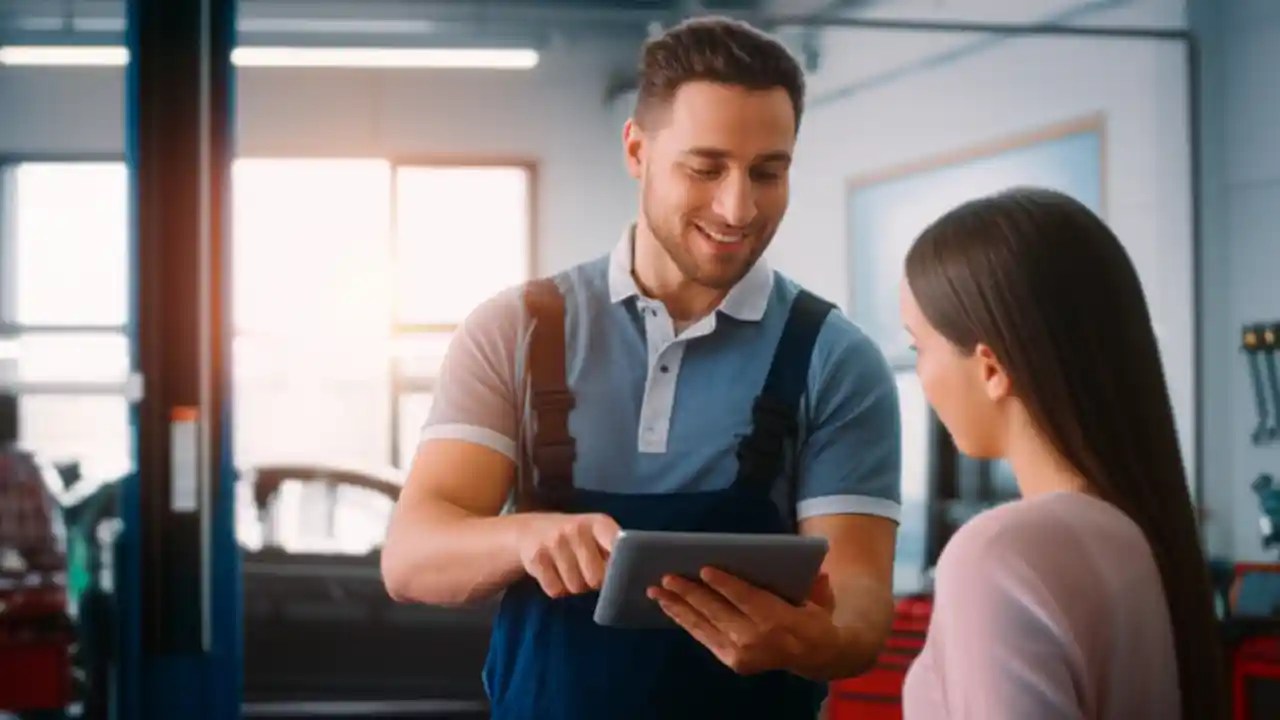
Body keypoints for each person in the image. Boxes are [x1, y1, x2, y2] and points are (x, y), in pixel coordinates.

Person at [381, 15, 902, 720]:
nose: (738, 207)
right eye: (706, 167)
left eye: (767, 172)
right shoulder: (517, 330)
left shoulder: (836, 360)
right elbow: (411, 559)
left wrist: (815, 641)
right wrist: (527, 536)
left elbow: (862, 610)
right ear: (637, 150)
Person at [897, 187, 1226, 719]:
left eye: (919, 347)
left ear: (990, 367)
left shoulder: (997, 552)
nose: (921, 375)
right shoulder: (1136, 534)